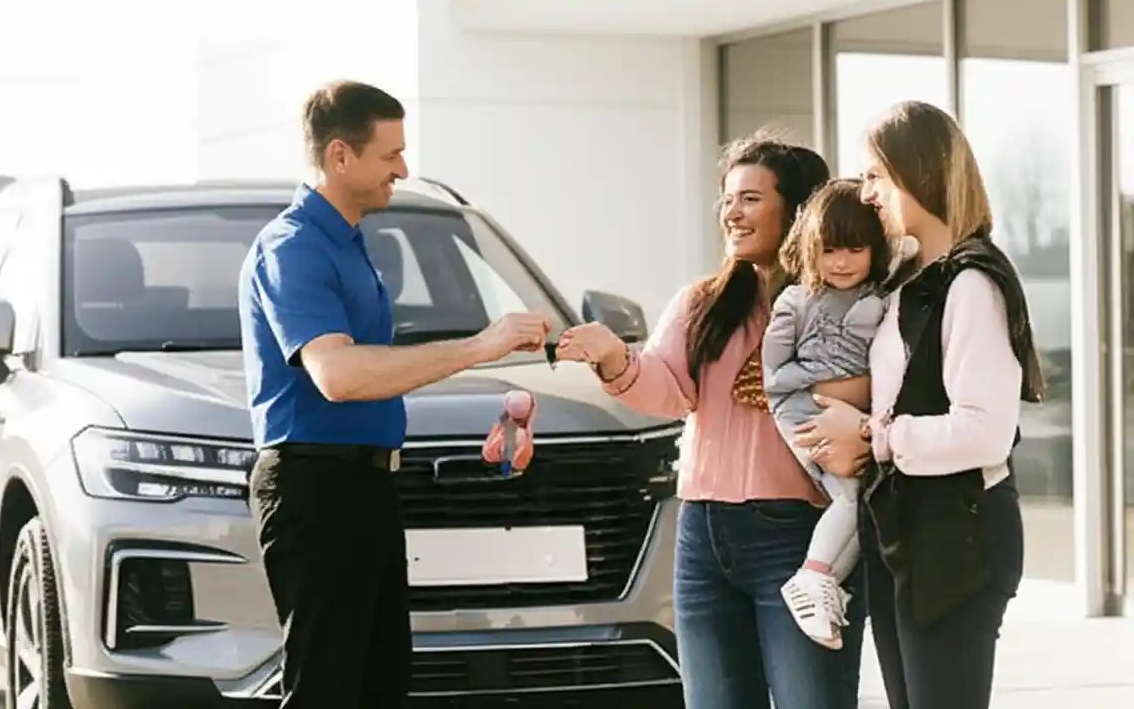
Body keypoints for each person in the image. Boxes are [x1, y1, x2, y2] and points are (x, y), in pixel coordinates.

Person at [237, 79, 552, 709]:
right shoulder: (293, 248)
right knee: (326, 689)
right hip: (315, 490)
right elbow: (339, 376)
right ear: (340, 156)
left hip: (364, 488)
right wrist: (479, 346)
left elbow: (381, 379)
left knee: (379, 685)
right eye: (390, 155)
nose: (403, 171)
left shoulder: (350, 243)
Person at [554, 132, 865, 709]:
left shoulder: (834, 306)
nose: (732, 212)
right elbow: (669, 390)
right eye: (727, 199)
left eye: (750, 198)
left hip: (798, 534)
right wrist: (614, 357)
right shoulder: (701, 302)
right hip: (702, 533)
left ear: (796, 211)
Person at [794, 100, 1043, 709]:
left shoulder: (971, 283)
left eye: (876, 176)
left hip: (955, 543)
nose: (866, 193)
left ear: (918, 173)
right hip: (906, 533)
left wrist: (872, 435)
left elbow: (984, 432)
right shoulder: (907, 279)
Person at [761, 177, 893, 651]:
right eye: (830, 250)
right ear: (810, 247)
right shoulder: (796, 301)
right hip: (804, 410)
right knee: (850, 495)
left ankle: (822, 581)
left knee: (860, 499)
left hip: (853, 415)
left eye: (855, 249)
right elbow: (773, 374)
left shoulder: (880, 294)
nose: (841, 262)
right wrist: (827, 382)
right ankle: (815, 576)